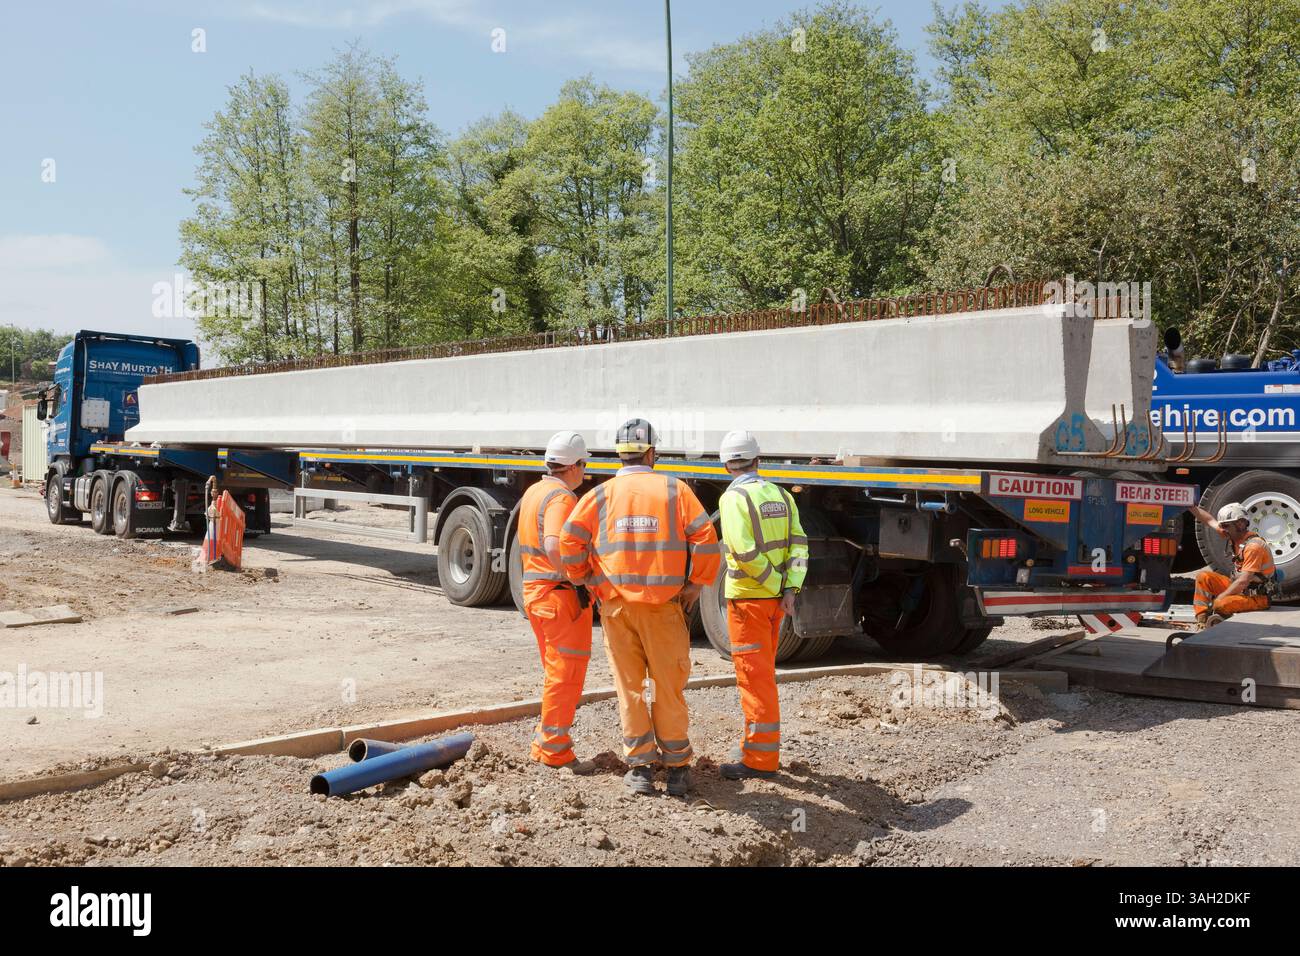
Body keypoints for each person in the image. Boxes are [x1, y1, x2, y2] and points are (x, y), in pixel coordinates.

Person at [559, 418, 721, 796]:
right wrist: (696, 583)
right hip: (664, 609)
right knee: (668, 687)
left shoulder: (600, 495)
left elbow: (570, 541)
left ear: (619, 454)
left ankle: (640, 770)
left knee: (629, 688)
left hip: (616, 609)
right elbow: (705, 538)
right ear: (652, 453)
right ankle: (678, 769)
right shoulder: (674, 490)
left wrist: (589, 580)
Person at [714, 430, 808, 780]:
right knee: (764, 675)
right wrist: (789, 588)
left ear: (726, 464)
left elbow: (742, 550)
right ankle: (759, 748)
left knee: (754, 680)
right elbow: (800, 545)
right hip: (776, 602)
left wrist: (770, 584)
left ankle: (759, 759)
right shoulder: (782, 495)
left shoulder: (732, 499)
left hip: (748, 601)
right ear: (758, 460)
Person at [518, 431, 595, 773]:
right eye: (584, 465)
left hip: (538, 593)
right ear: (574, 466)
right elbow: (553, 544)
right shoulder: (562, 498)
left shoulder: (536, 490)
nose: (585, 472)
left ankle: (544, 743)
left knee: (555, 673)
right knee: (567, 676)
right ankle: (555, 750)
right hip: (559, 596)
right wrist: (580, 577)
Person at [1187, 501, 1276, 627]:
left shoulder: (1254, 547)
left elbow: (1243, 581)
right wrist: (1190, 506)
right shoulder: (1232, 533)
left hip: (1257, 597)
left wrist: (1220, 597)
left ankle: (1219, 623)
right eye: (1222, 526)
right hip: (1241, 589)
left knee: (1221, 604)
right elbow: (1209, 520)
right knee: (1204, 577)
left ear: (1240, 523)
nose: (1222, 530)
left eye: (1226, 526)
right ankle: (1202, 621)